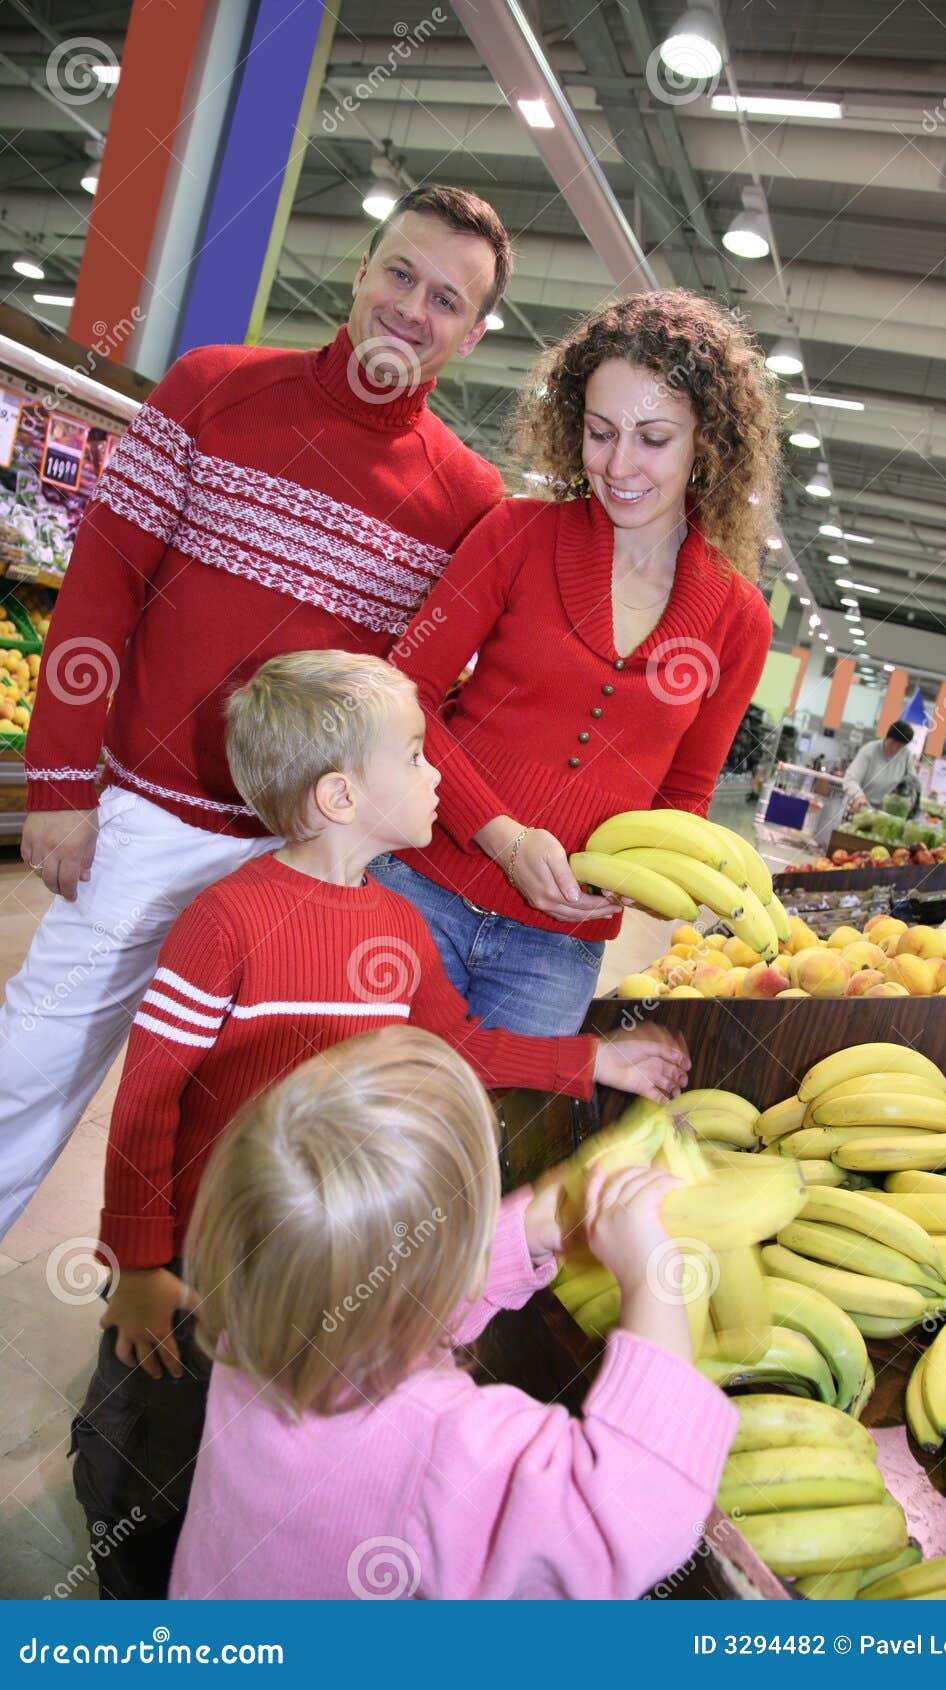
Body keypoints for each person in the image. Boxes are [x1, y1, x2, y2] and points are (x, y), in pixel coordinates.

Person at [70, 652, 689, 1599]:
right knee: (150, 1442)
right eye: (414, 753)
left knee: (247, 1467)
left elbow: (459, 1042)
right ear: (339, 796)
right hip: (208, 1255)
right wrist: (141, 1263)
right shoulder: (225, 923)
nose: (439, 769)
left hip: (340, 1255)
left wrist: (587, 1062)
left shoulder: (398, 928)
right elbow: (149, 1096)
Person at [1, 185, 513, 1239]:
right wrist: (58, 784)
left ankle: (164, 1365)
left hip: (295, 864)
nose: (413, 310)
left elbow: (428, 700)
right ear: (362, 270)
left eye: (447, 300)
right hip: (142, 821)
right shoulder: (211, 389)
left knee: (237, 1127)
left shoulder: (470, 502)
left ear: (470, 333)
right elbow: (98, 592)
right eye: (401, 274)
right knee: (29, 1070)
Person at [168, 1024, 738, 1600]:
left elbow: (373, 1295)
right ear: (458, 1268)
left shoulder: (259, 1315)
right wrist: (650, 1282)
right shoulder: (441, 1449)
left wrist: (520, 1236)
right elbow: (629, 1520)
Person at [374, 290, 778, 1035]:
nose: (619, 465)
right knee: (350, 1119)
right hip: (413, 887)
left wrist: (639, 888)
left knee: (484, 1148)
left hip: (557, 950)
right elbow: (402, 694)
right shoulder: (516, 534)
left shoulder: (738, 619)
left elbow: (682, 798)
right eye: (600, 432)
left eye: (653, 438)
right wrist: (503, 836)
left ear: (707, 444)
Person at [812, 720, 917, 848]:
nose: (896, 749)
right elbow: (850, 778)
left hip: (885, 816)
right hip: (860, 808)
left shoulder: (905, 755)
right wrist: (859, 796)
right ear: (887, 737)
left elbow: (913, 781)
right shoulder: (870, 750)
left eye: (900, 746)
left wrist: (905, 797)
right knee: (848, 848)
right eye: (893, 743)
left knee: (876, 853)